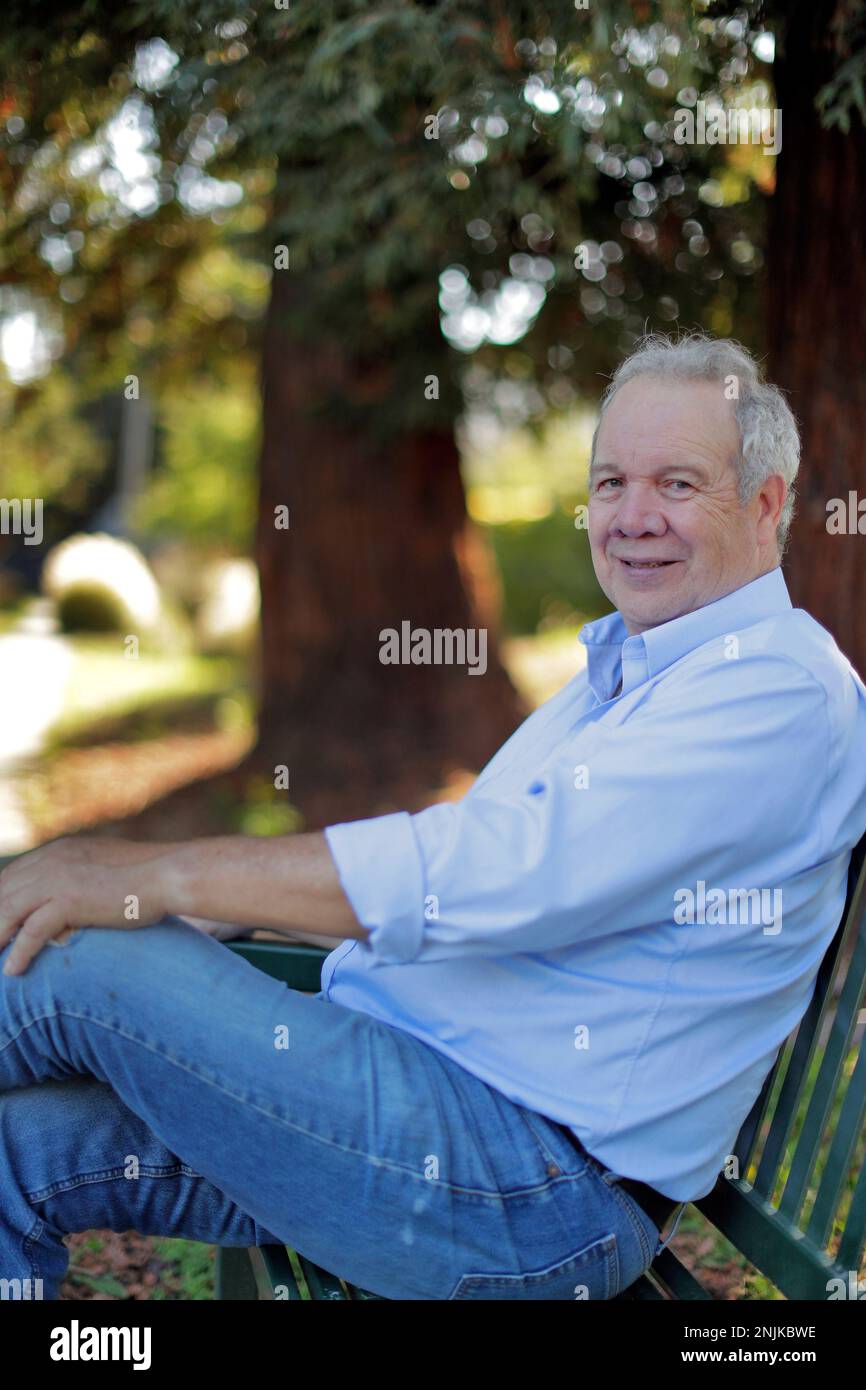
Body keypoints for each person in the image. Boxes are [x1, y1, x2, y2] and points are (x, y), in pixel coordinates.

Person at [2, 332, 865, 1301]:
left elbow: (505, 873)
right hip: (403, 1117)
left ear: (763, 503)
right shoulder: (639, 670)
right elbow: (471, 883)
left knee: (78, 954)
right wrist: (219, 910)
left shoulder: (774, 694)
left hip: (520, 1189)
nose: (629, 517)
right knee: (13, 1145)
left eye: (674, 484)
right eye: (610, 481)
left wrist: (158, 878)